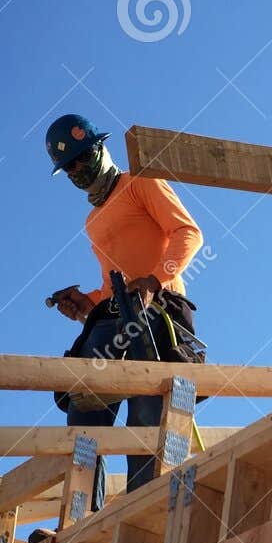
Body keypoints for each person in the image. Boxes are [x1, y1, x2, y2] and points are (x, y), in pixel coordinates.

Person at [44, 113, 205, 494]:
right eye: (69, 168)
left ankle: (144, 503)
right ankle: (83, 512)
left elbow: (188, 232)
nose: (77, 170)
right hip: (117, 316)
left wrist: (156, 279)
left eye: (82, 158)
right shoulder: (93, 220)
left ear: (100, 148)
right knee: (86, 411)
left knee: (147, 411)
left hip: (159, 311)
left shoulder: (140, 183)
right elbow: (112, 284)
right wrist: (87, 303)